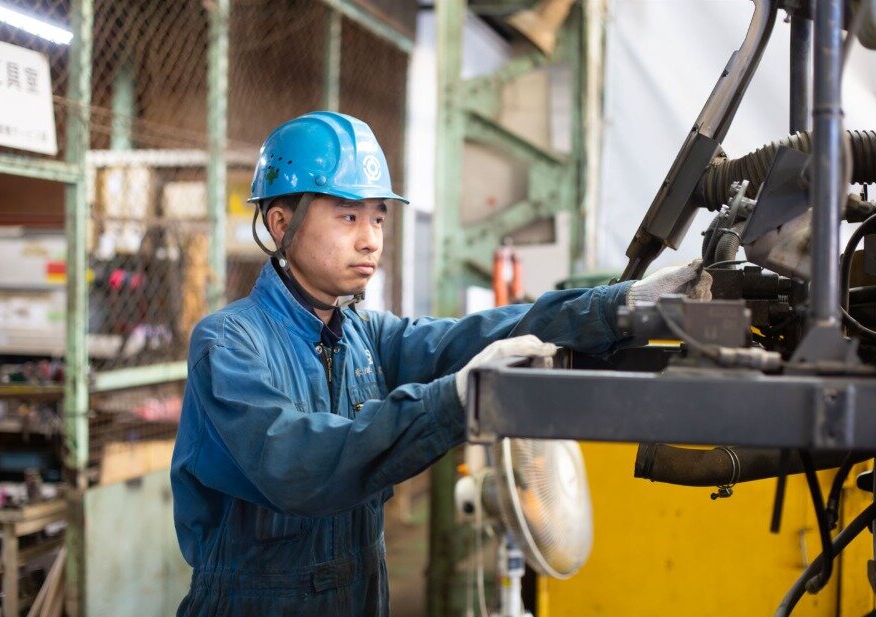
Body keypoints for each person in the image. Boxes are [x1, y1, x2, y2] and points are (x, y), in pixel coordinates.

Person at [171, 111, 703, 615]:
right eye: (348, 216)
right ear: (280, 222)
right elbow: (297, 465)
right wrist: (453, 399)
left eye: (378, 218)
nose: (370, 239)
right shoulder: (229, 344)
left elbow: (473, 337)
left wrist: (622, 306)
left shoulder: (364, 336)